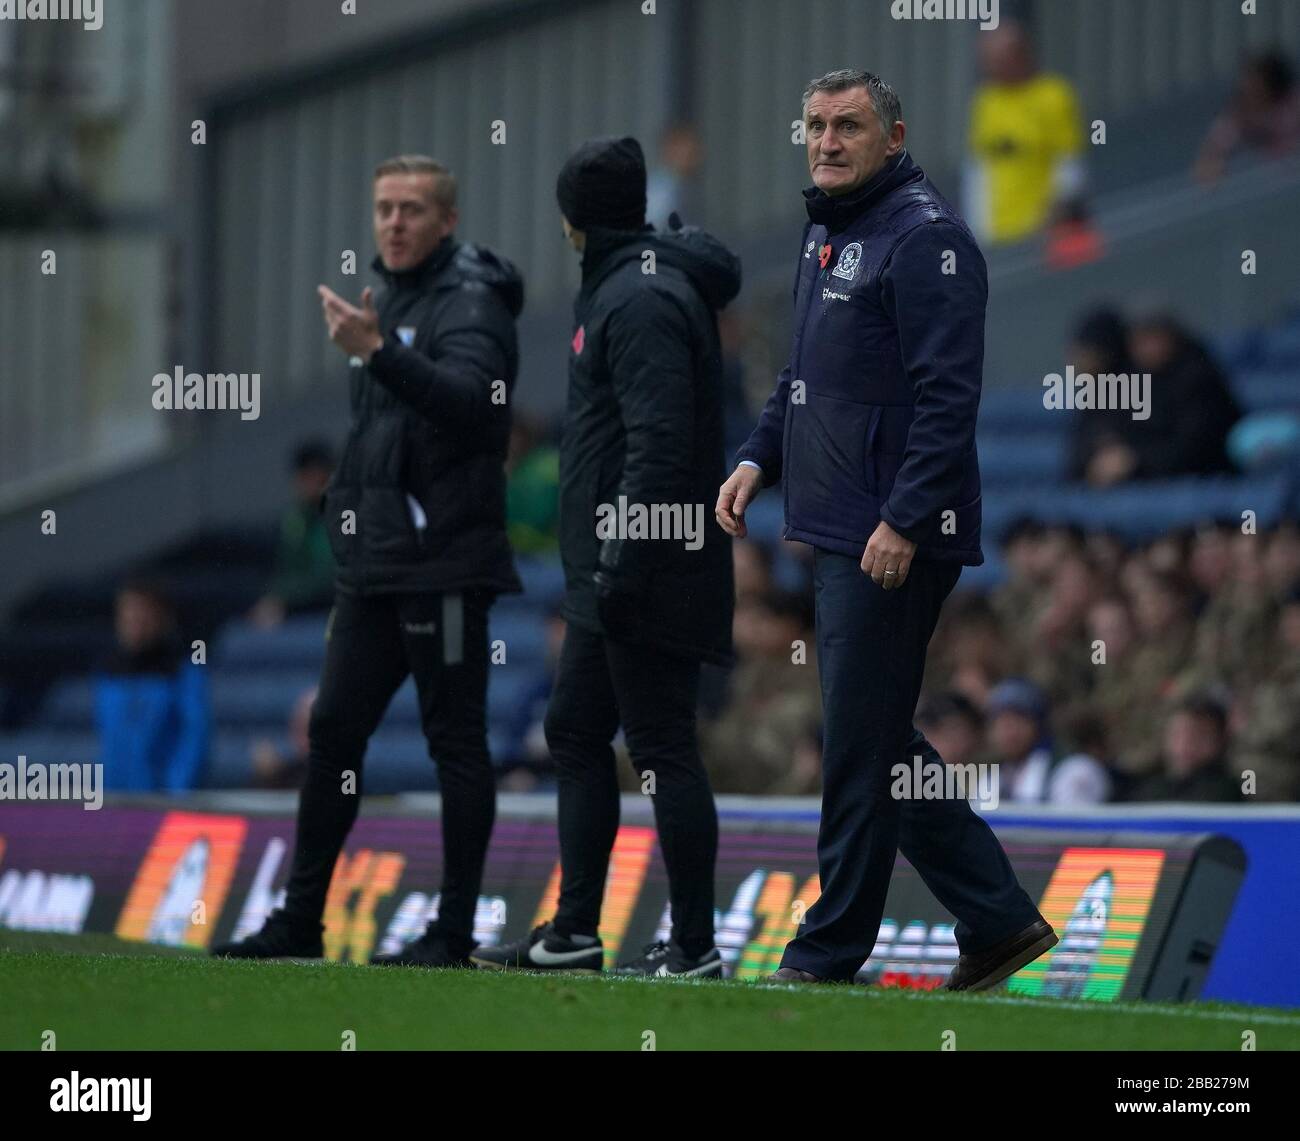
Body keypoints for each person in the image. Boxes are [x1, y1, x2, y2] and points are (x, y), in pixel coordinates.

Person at [716, 69, 1055, 989]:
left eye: (848, 126)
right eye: (815, 124)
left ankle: (825, 955)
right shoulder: (831, 230)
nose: (827, 141)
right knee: (871, 737)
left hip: (891, 533)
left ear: (893, 137)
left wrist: (905, 517)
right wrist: (758, 455)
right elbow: (802, 377)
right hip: (835, 521)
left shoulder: (927, 240)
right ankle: (997, 917)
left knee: (858, 747)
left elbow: (951, 399)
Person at [213, 155, 524, 968]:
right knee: (331, 733)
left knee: (454, 742)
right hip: (375, 566)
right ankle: (300, 921)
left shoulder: (472, 302)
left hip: (444, 563)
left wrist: (379, 349)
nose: (393, 222)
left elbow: (474, 412)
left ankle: (453, 932)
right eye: (384, 207)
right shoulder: (385, 301)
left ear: (447, 220)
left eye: (412, 209)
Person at [473, 136, 739, 979]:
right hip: (613, 566)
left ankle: (694, 945)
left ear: (572, 219)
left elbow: (659, 445)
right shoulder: (626, 287)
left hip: (645, 564)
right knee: (576, 729)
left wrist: (623, 556)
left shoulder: (640, 299)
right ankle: (578, 930)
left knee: (662, 744)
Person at [964, 21, 1085, 245]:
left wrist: (1055, 216)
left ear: (1020, 55)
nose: (991, 68)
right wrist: (975, 227)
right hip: (996, 233)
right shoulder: (986, 101)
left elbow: (1068, 163)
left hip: (1043, 231)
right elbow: (980, 168)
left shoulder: (1054, 95)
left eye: (998, 60)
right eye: (988, 61)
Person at [96, 578, 209, 792]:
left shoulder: (184, 674)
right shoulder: (107, 673)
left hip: (159, 803)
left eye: (142, 613)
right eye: (127, 613)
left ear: (162, 618)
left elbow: (195, 742)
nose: (133, 621)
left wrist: (174, 795)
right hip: (113, 802)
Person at [248, 440, 337, 628]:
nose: (312, 485)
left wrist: (283, 598)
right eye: (306, 478)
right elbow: (284, 569)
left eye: (319, 479)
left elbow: (327, 575)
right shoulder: (295, 521)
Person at [1194, 49, 1300, 183]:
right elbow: (1212, 154)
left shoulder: (1294, 103)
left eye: (1254, 81)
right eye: (1247, 80)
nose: (1247, 85)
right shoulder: (1239, 115)